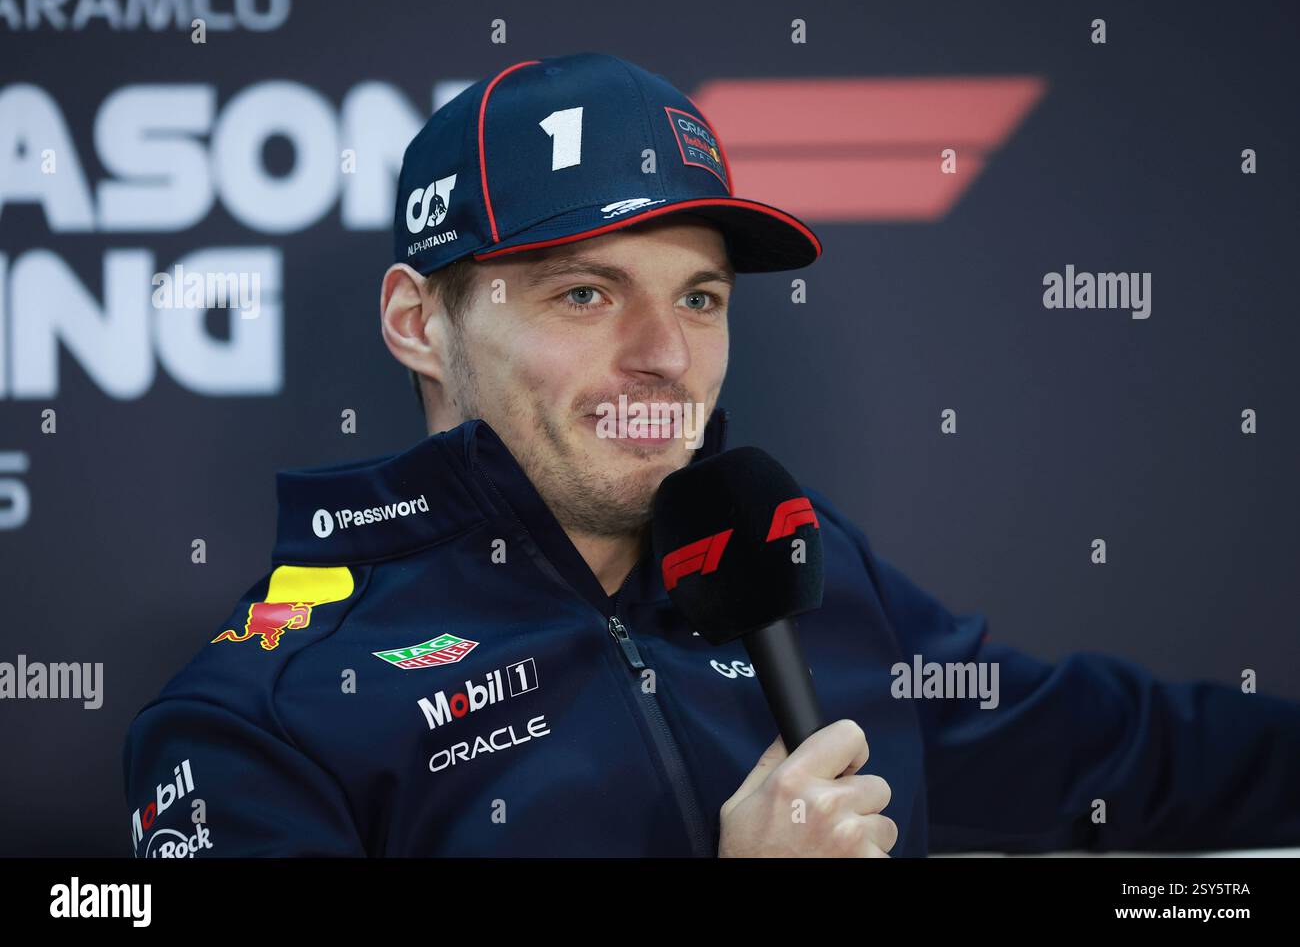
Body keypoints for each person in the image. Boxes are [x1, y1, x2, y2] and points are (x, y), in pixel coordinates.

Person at [123, 52, 1300, 858]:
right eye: (584, 294)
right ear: (416, 323)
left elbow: (1120, 755)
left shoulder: (791, 559)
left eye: (699, 296)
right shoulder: (268, 714)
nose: (665, 357)